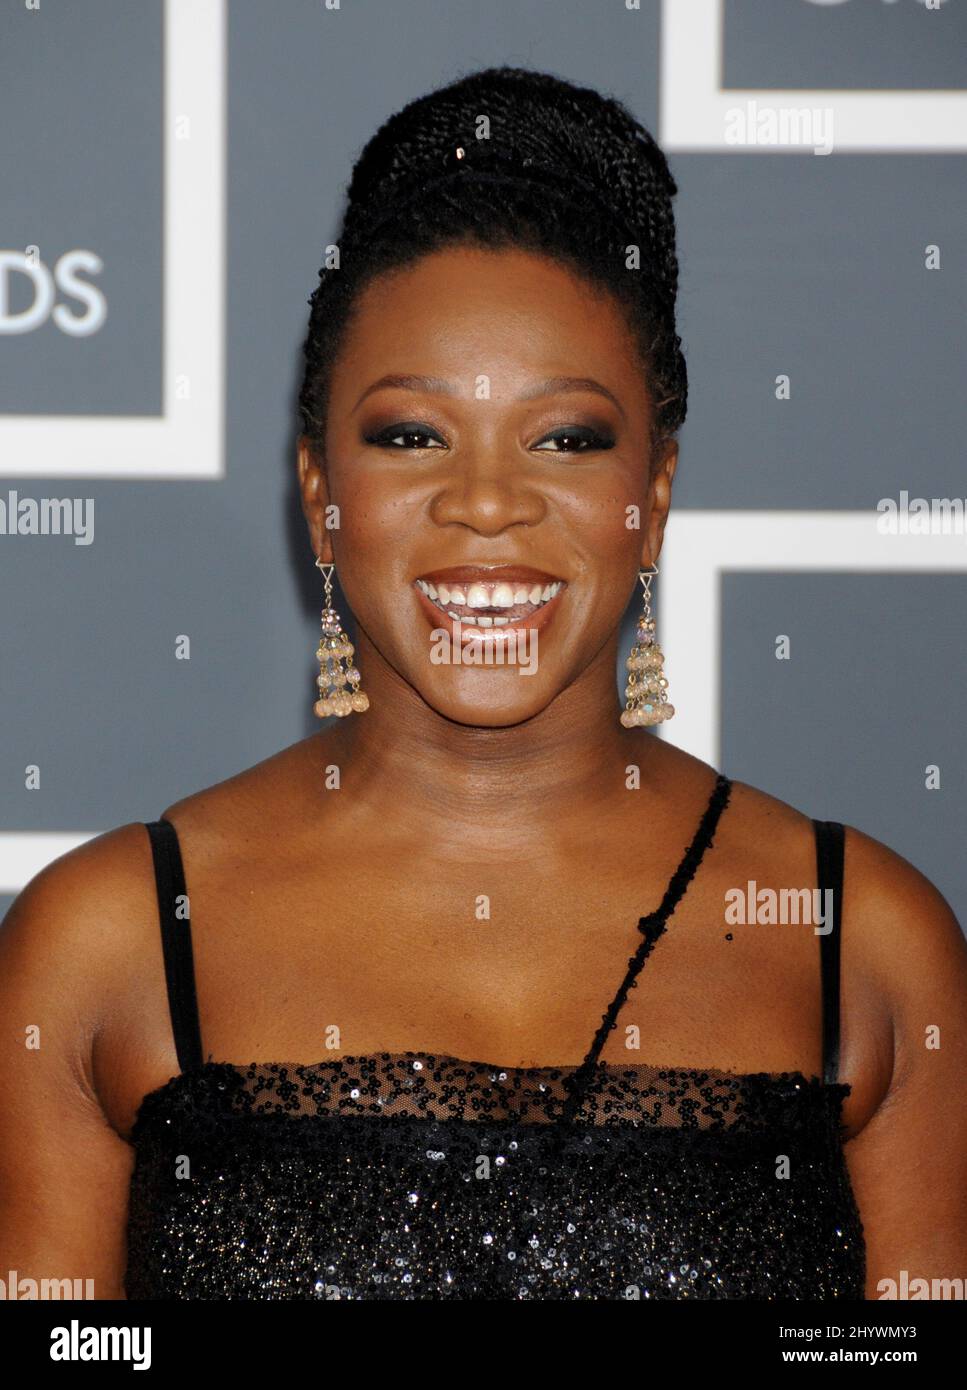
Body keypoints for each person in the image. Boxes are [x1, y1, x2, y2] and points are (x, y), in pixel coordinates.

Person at [2, 67, 965, 1302]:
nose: (489, 503)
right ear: (319, 496)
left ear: (652, 499)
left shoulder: (863, 938)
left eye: (566, 437)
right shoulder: (109, 939)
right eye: (411, 435)